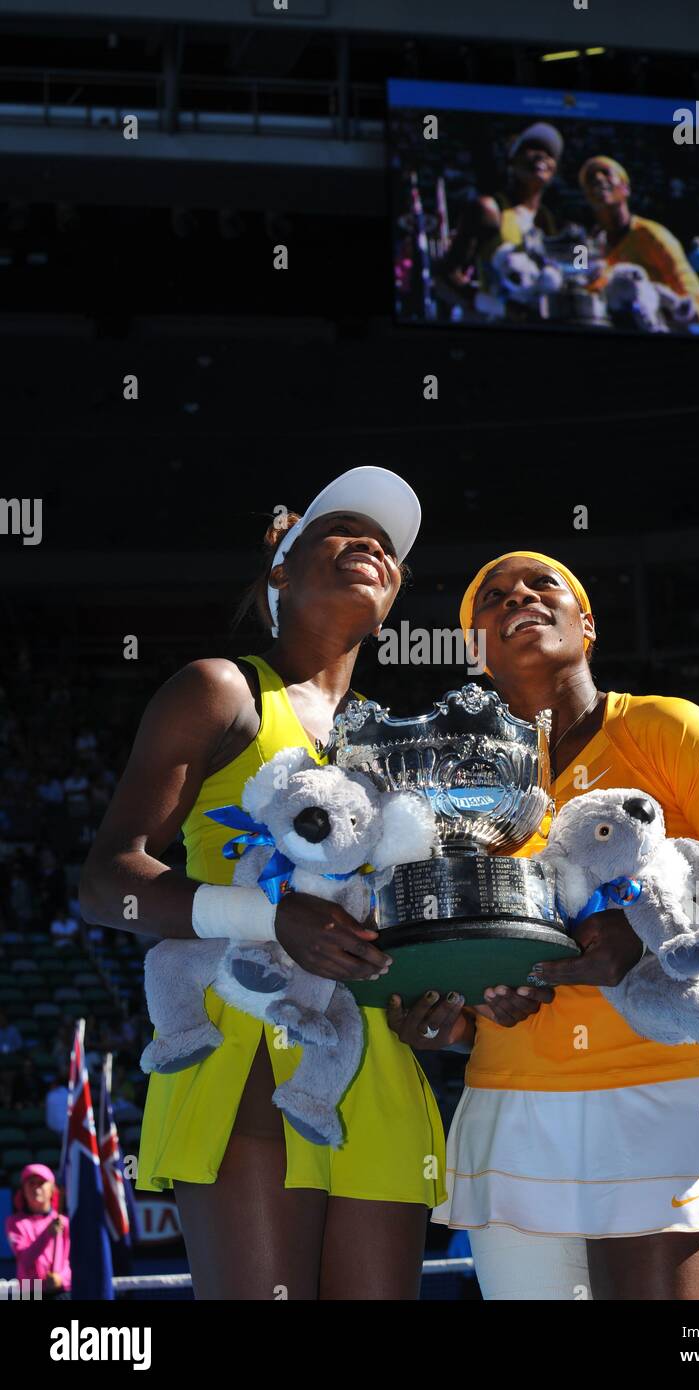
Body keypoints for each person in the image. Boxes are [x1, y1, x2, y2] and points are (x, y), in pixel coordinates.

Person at [402, 550, 699, 1300]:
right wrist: (458, 1014)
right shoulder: (454, 785)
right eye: (491, 598)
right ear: (475, 652)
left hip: (658, 1094)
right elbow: (463, 967)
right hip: (509, 1102)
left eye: (540, 584)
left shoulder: (666, 727)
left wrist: (642, 935)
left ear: (585, 623)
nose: (517, 596)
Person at [78, 468, 450, 1301]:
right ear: (279, 570)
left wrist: (438, 1001)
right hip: (246, 1052)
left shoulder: (395, 752)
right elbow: (106, 883)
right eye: (341, 531)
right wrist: (269, 918)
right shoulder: (221, 689)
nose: (370, 547)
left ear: (392, 601)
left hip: (378, 1061)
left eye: (386, 547)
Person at [436, 122, 566, 321]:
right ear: (511, 161)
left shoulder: (550, 221)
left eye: (549, 153)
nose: (541, 156)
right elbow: (444, 280)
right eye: (531, 148)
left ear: (554, 170)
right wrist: (499, 308)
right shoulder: (489, 209)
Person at [579, 156, 699, 326]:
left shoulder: (654, 236)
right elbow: (578, 282)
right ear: (587, 196)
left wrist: (654, 299)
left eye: (606, 173)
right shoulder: (581, 244)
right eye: (591, 179)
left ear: (625, 188)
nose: (598, 178)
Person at [4, 1163, 71, 1298]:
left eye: (41, 1183)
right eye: (31, 1183)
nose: (36, 1188)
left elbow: (73, 1260)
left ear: (52, 1189)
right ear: (23, 1189)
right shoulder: (14, 1223)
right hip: (29, 1292)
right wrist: (47, 1234)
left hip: (62, 1292)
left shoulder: (64, 1222)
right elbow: (24, 1260)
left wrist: (61, 1279)